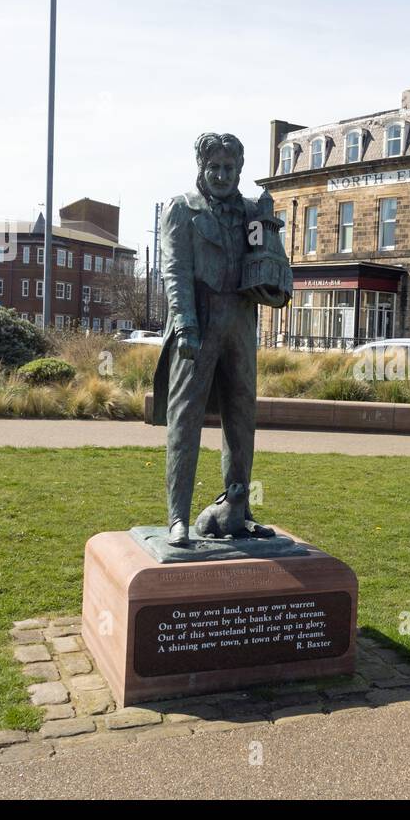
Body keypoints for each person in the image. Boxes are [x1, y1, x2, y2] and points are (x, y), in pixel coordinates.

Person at [149, 132, 292, 546]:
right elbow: (174, 273)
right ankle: (177, 517)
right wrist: (186, 326)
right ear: (201, 168)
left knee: (241, 418)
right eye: (214, 167)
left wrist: (274, 285)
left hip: (241, 324)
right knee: (185, 419)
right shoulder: (182, 210)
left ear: (240, 170)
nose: (221, 175)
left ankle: (237, 508)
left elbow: (272, 262)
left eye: (229, 168)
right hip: (199, 319)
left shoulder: (252, 212)